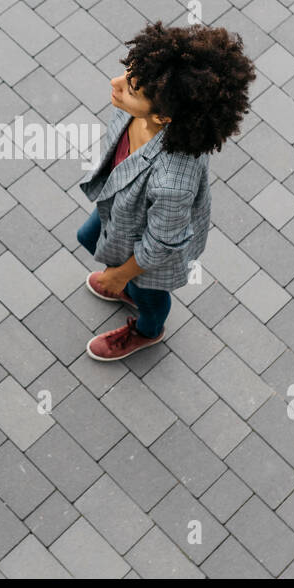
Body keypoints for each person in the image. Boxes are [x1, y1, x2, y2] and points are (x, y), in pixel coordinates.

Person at [78, 21, 257, 361]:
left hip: (152, 252)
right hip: (123, 210)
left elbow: (161, 243)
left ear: (162, 118)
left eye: (129, 88)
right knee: (88, 237)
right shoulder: (140, 111)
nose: (115, 85)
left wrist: (121, 274)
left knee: (149, 294)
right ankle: (129, 289)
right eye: (127, 76)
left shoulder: (172, 181)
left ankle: (148, 329)